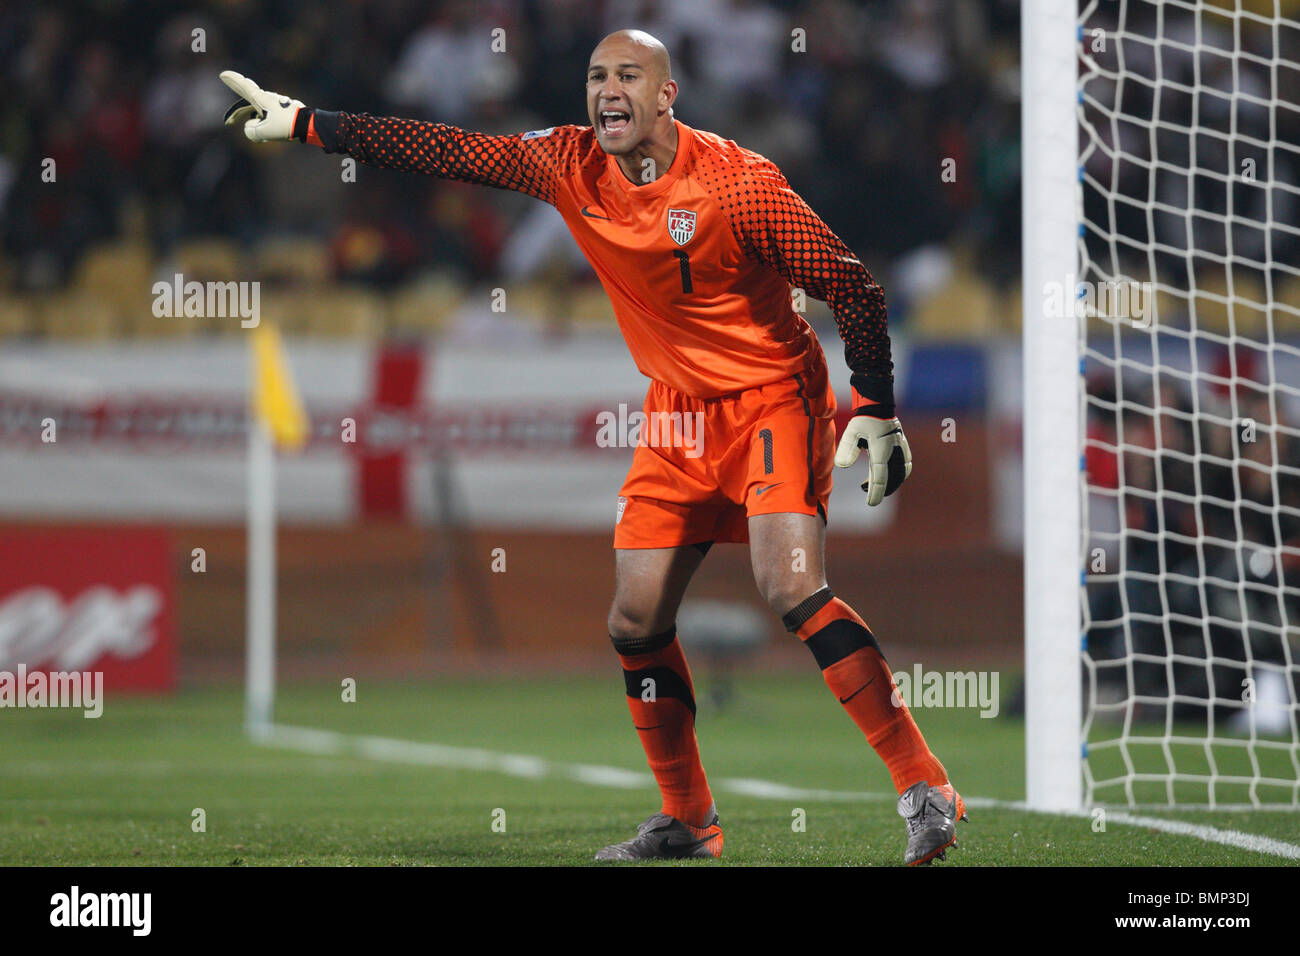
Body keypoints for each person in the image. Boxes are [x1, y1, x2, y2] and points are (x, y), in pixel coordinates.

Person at [219, 28, 965, 865]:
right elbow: (447, 149)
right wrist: (310, 125)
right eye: (597, 76)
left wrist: (876, 406)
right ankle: (688, 819)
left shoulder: (738, 182)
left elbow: (850, 282)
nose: (608, 89)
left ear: (667, 94)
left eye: (629, 76)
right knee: (634, 619)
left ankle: (923, 784)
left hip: (771, 398)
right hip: (676, 413)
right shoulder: (566, 164)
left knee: (789, 584)